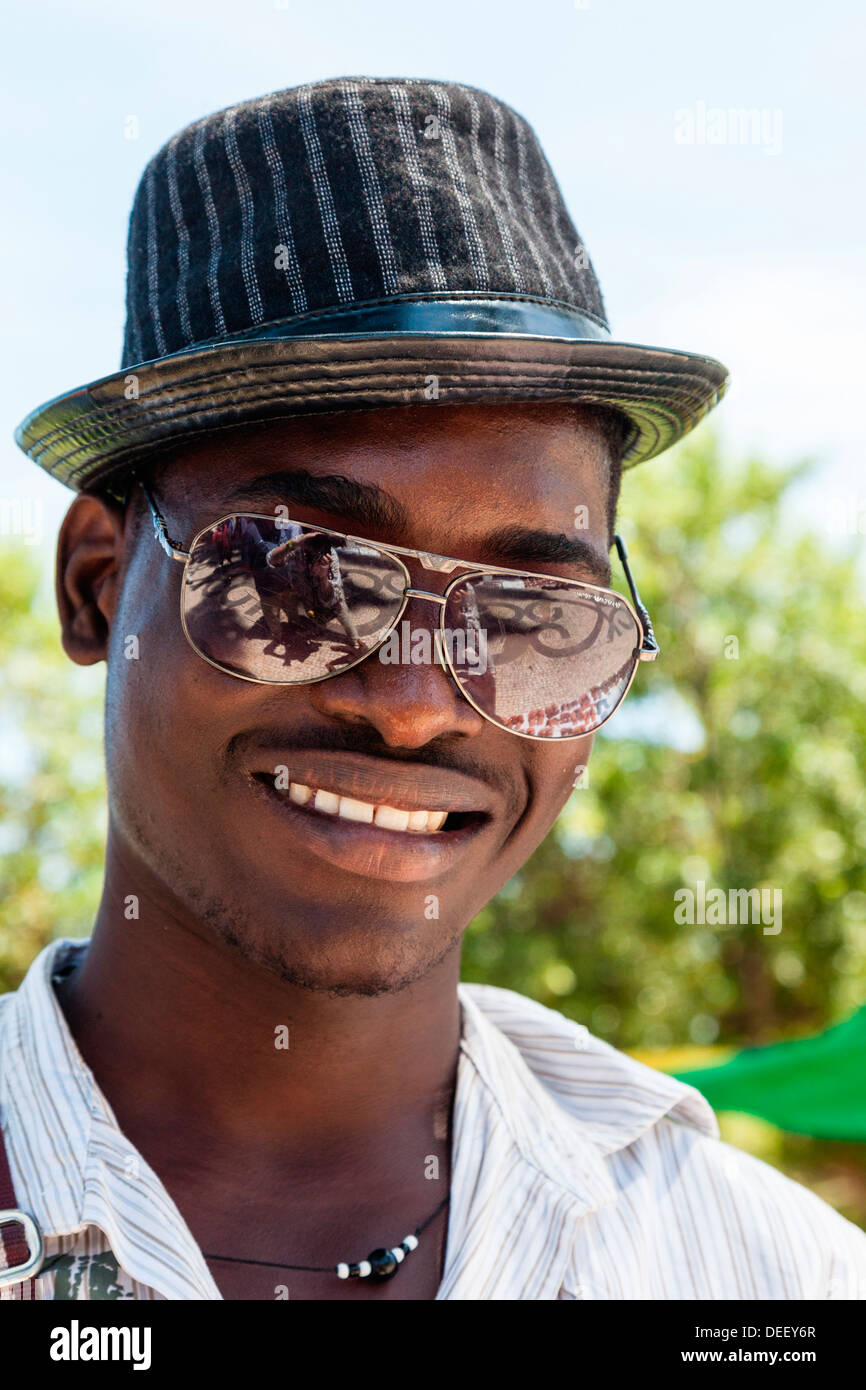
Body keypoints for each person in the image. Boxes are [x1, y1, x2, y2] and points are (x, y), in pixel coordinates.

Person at [3, 76, 864, 1302]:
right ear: (96, 588)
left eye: (530, 615)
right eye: (298, 578)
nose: (415, 705)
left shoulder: (769, 1279)